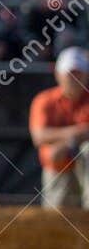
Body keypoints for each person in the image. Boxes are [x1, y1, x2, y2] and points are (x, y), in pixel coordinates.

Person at [30, 48, 89, 210]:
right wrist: (76, 136)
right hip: (57, 167)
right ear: (58, 74)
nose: (74, 78)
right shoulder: (45, 100)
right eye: (70, 73)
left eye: (79, 73)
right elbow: (39, 136)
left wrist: (65, 143)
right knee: (57, 223)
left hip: (81, 166)